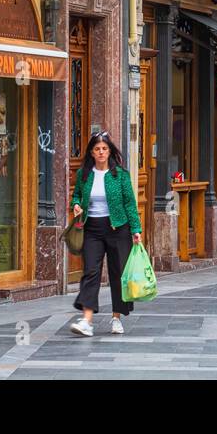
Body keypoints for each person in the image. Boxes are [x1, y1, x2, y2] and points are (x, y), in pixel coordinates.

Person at [69, 131, 142, 337]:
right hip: (92, 229)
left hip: (118, 229)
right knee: (91, 271)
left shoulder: (120, 175)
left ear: (109, 151)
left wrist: (136, 230)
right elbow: (76, 195)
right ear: (91, 152)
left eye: (104, 149)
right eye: (97, 149)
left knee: (117, 274)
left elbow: (130, 203)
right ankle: (87, 321)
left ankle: (116, 318)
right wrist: (75, 205)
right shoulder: (84, 174)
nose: (101, 152)